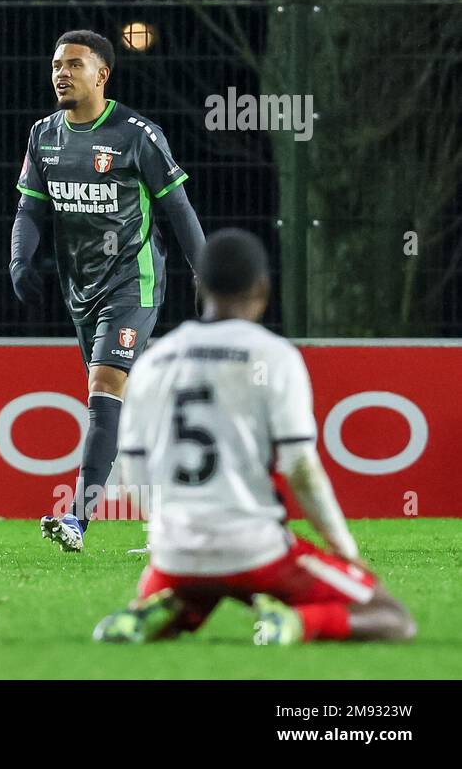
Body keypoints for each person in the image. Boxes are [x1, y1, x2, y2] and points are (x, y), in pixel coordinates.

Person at [93, 228, 415, 644]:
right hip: (257, 552)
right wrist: (344, 549)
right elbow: (300, 467)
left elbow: (131, 469)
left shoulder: (155, 360)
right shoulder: (273, 356)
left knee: (197, 581)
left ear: (200, 286)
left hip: (174, 555)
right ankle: (297, 623)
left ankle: (165, 606)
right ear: (262, 289)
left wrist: (169, 528)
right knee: (391, 617)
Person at [10, 29, 205, 553]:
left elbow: (177, 207)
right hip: (81, 288)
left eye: (74, 64)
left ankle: (76, 519)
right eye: (56, 64)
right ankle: (187, 508)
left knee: (102, 387)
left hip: (132, 281)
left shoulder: (135, 133)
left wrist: (203, 271)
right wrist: (19, 258)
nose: (61, 72)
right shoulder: (44, 135)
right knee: (127, 402)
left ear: (102, 74)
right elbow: (30, 208)